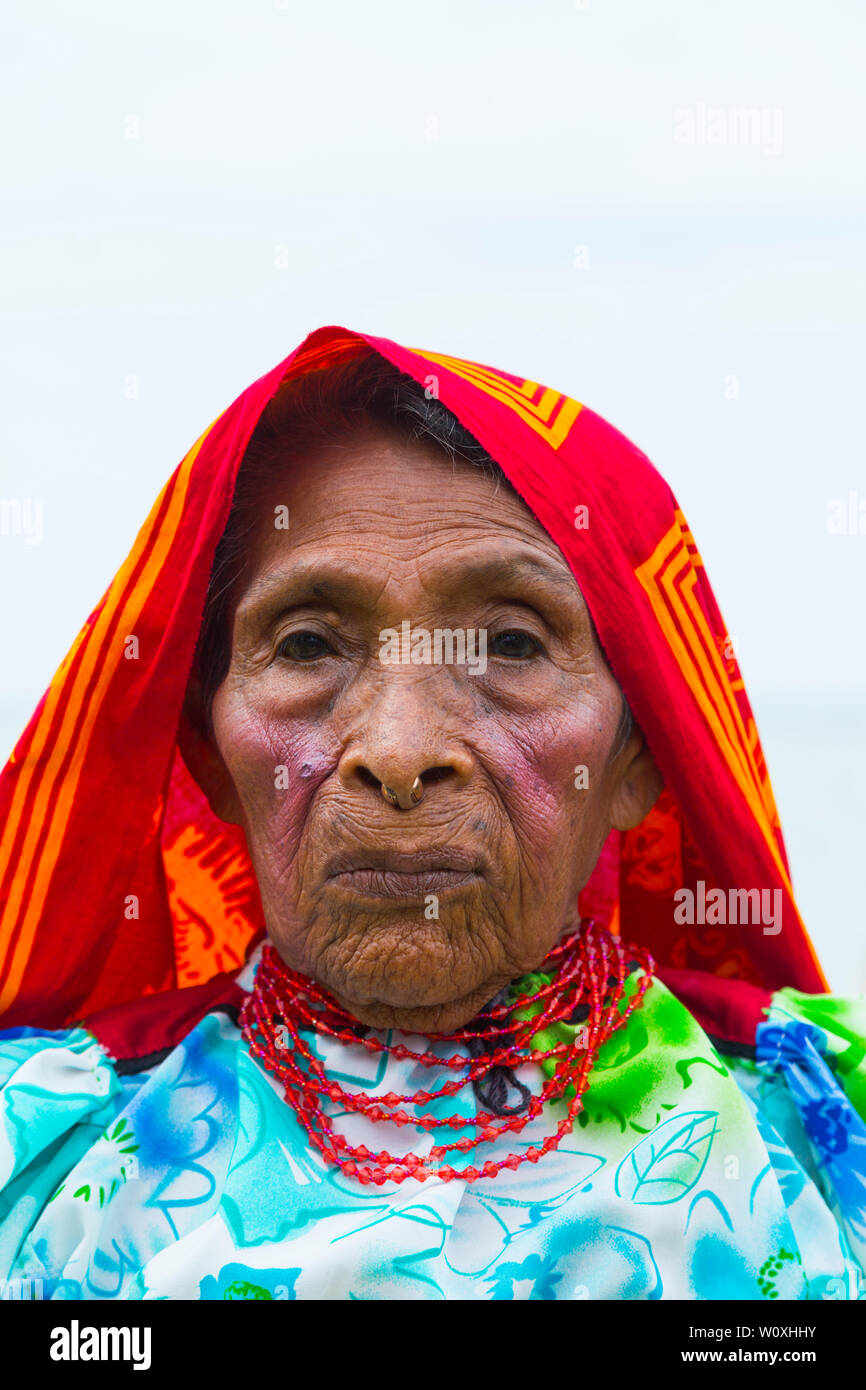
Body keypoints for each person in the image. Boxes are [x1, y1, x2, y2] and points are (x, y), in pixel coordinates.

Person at [0, 328, 863, 1301]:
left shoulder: (823, 1134)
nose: (400, 753)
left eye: (507, 641)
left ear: (637, 754)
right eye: (308, 642)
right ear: (206, 748)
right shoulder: (40, 1149)